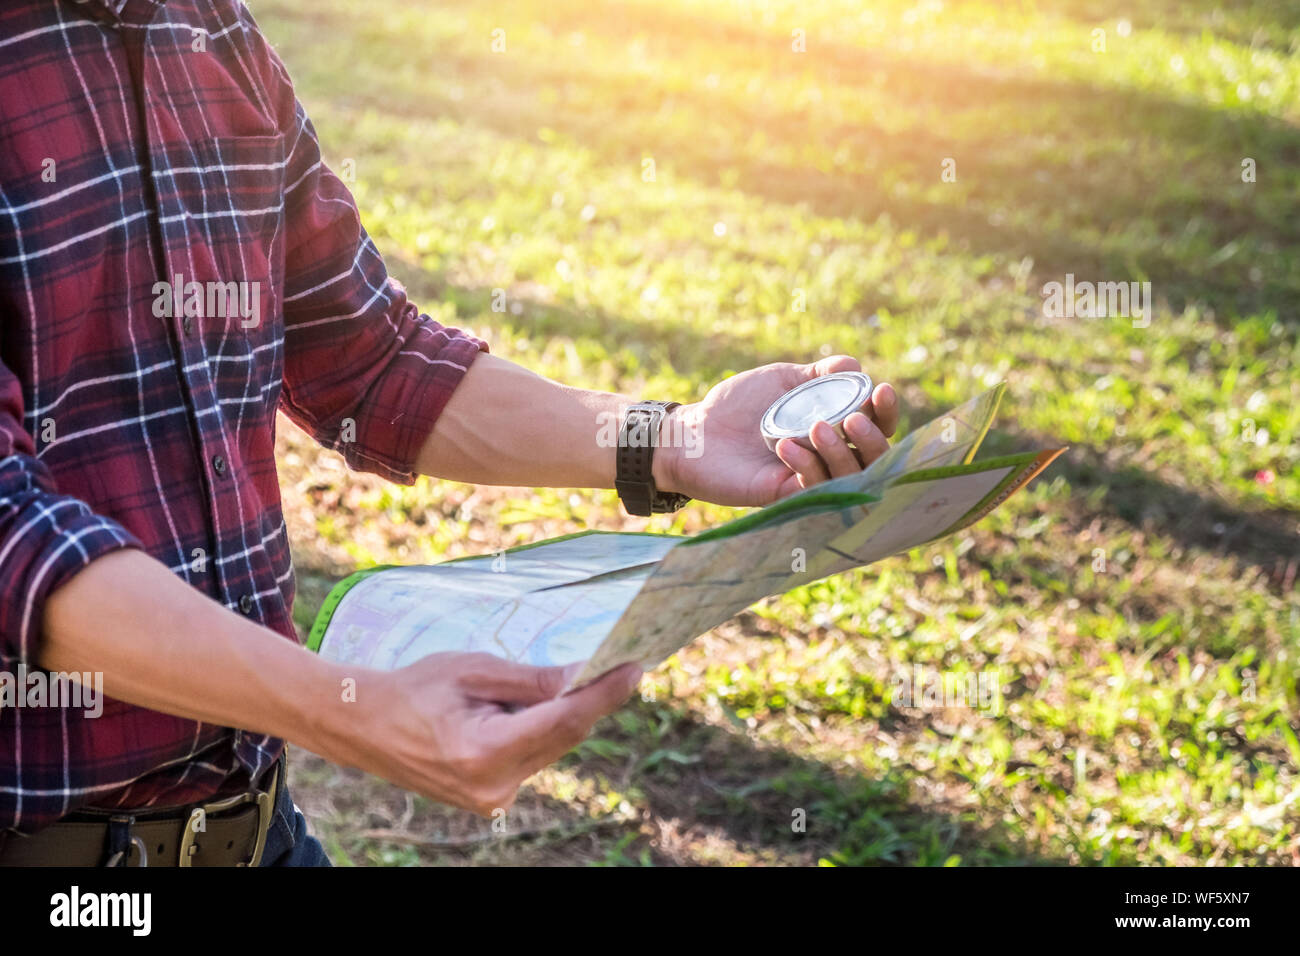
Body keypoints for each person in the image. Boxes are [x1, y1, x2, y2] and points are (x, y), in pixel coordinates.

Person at [0, 0, 898, 866]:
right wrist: (348, 711)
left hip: (252, 829)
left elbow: (370, 357)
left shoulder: (211, 27)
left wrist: (673, 438)